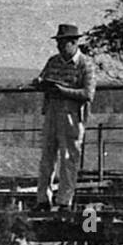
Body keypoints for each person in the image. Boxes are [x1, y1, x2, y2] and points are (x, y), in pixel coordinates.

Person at [32, 23, 97, 212]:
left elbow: (88, 93)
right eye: (58, 43)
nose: (60, 47)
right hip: (52, 110)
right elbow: (43, 78)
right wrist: (40, 84)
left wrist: (64, 91)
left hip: (72, 114)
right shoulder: (53, 61)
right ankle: (43, 199)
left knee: (69, 157)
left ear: (74, 43)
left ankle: (64, 201)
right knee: (47, 157)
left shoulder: (86, 64)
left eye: (64, 43)